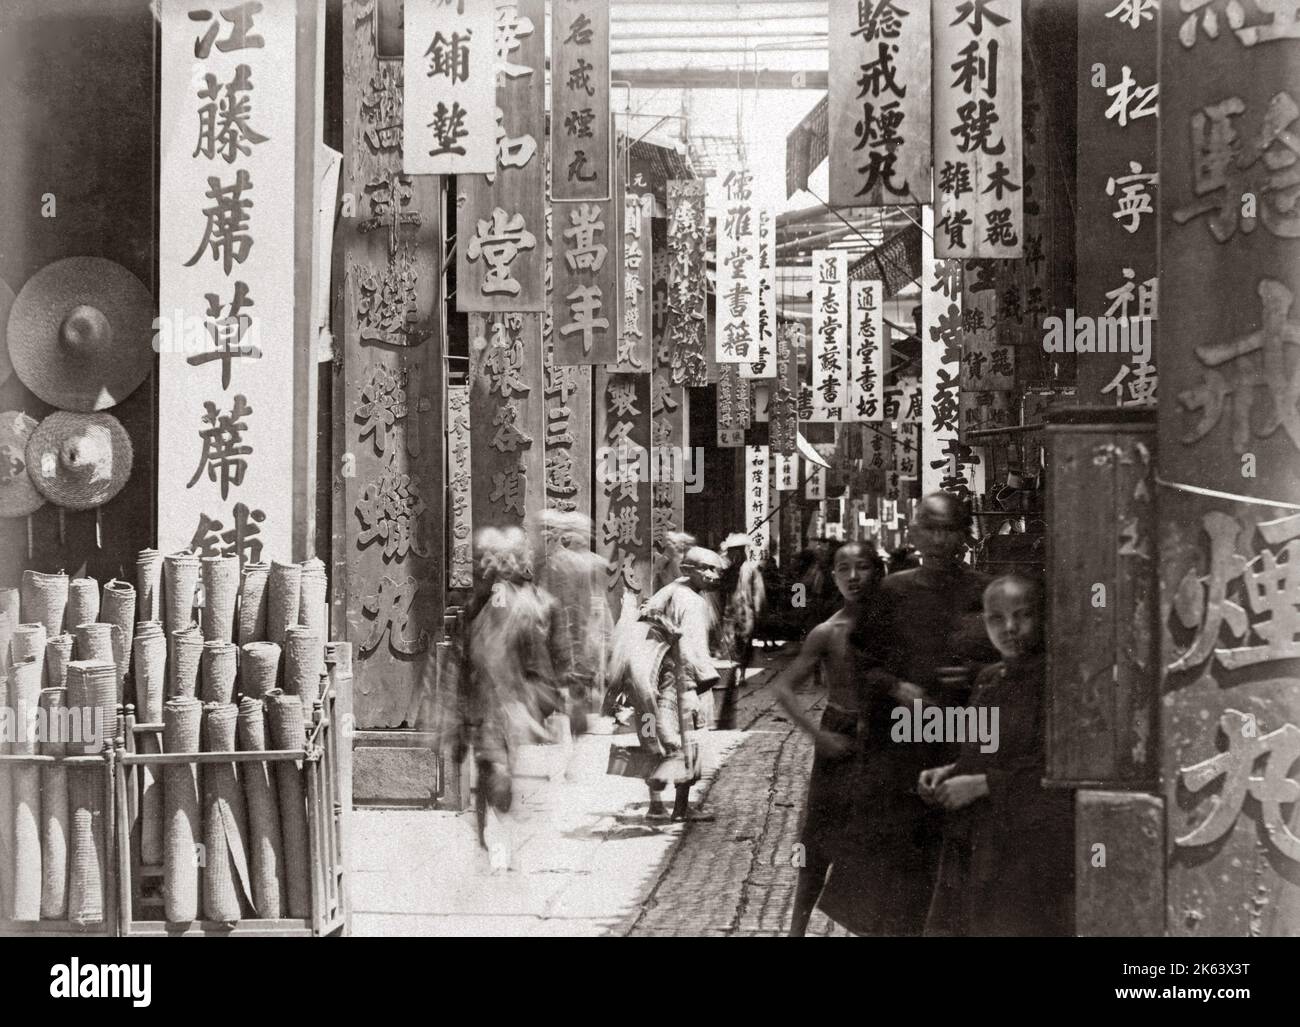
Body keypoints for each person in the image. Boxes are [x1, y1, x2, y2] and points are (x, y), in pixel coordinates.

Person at [830, 491, 998, 935]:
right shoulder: (891, 591)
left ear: (964, 534)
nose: (939, 539)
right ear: (914, 532)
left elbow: (1015, 663)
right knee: (900, 852)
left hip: (966, 733)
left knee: (960, 847)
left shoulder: (986, 593)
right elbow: (859, 659)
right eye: (930, 527)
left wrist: (976, 675)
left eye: (949, 529)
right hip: (903, 740)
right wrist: (895, 686)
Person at [920, 574, 1074, 936]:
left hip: (1029, 848)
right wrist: (951, 771)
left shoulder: (1058, 680)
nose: (1010, 628)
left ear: (1044, 616)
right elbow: (983, 751)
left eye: (1023, 615)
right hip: (980, 841)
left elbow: (1060, 769)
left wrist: (982, 784)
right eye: (996, 618)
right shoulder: (989, 678)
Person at [768, 540, 886, 937]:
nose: (853, 577)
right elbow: (784, 688)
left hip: (888, 738)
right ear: (832, 576)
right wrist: (819, 735)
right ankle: (796, 932)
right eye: (843, 569)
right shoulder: (827, 631)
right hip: (841, 735)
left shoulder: (896, 622)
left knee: (880, 839)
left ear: (878, 571)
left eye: (863, 567)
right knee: (817, 843)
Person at [460, 526, 560, 866]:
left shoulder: (515, 602)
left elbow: (532, 655)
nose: (488, 564)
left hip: (504, 699)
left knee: (495, 768)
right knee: (493, 767)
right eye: (483, 558)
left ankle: (490, 836)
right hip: (492, 700)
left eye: (497, 558)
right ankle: (491, 838)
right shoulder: (482, 601)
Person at [624, 546, 725, 820]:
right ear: (688, 570)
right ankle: (680, 809)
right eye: (707, 569)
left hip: (655, 676)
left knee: (654, 736)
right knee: (688, 738)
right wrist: (701, 683)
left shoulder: (672, 589)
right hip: (680, 680)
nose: (714, 575)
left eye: (716, 569)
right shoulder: (693, 602)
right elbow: (691, 650)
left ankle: (655, 804)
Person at [534, 510, 614, 735]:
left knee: (570, 695)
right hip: (566, 638)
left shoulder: (566, 564)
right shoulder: (551, 563)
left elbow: (581, 610)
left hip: (569, 639)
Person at [718, 532, 766, 685]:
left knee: (745, 644)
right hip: (730, 611)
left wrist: (758, 610)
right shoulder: (728, 570)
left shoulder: (751, 569)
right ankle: (734, 672)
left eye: (737, 551)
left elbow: (758, 591)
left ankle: (742, 674)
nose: (735, 555)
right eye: (732, 552)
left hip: (746, 612)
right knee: (731, 644)